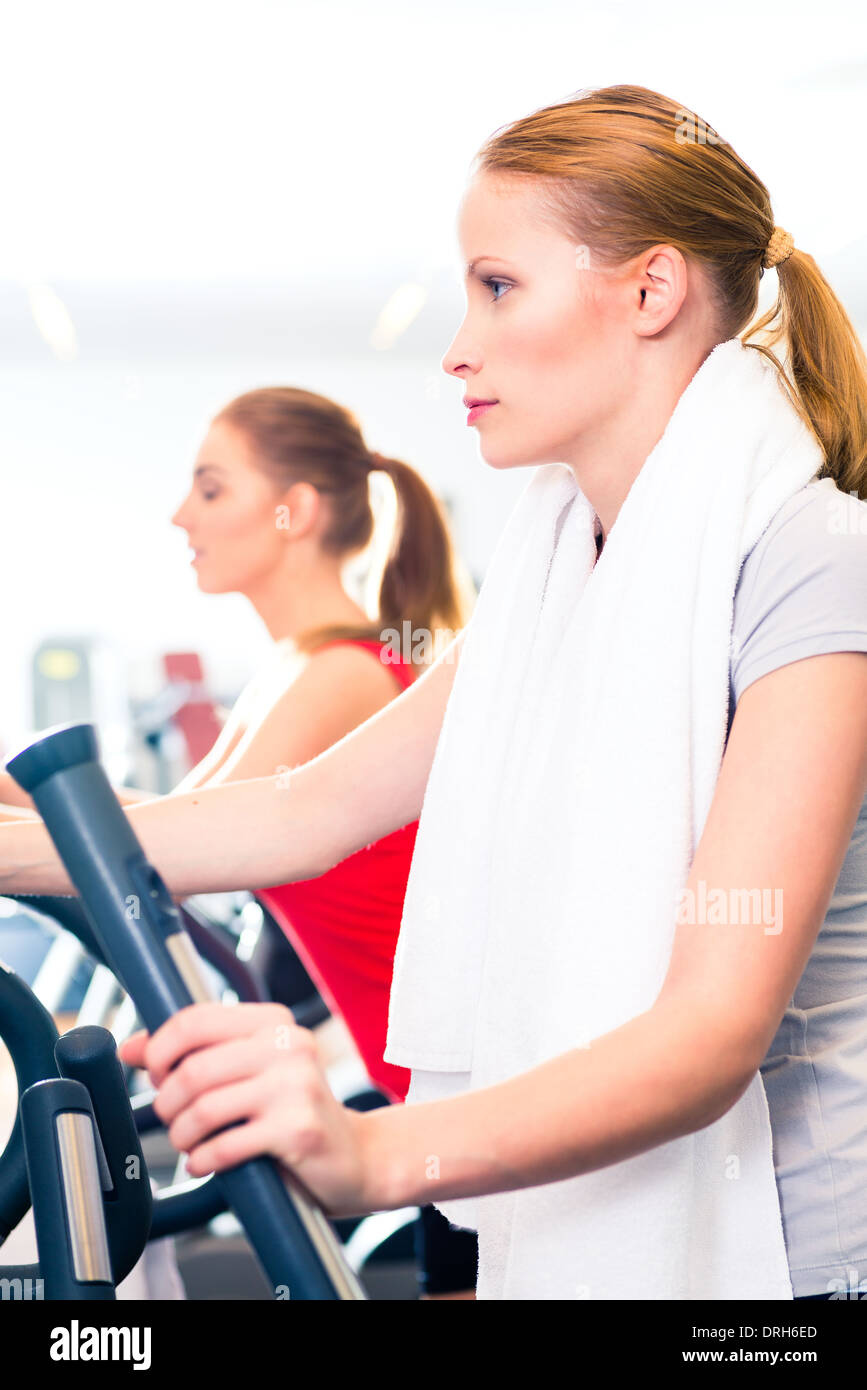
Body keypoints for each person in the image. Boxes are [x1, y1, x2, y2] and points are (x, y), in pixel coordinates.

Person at [2, 83, 866, 1300]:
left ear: (650, 290)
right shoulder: (561, 573)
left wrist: (374, 1151)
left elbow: (712, 1030)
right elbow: (305, 809)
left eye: (497, 286)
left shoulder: (809, 559)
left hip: (798, 1269)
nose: (457, 345)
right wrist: (15, 850)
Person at [0, 384, 478, 1299]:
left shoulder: (340, 672)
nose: (182, 513)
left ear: (293, 510)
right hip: (420, 1073)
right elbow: (162, 818)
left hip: (459, 1076)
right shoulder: (298, 667)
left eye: (211, 488)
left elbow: (165, 855)